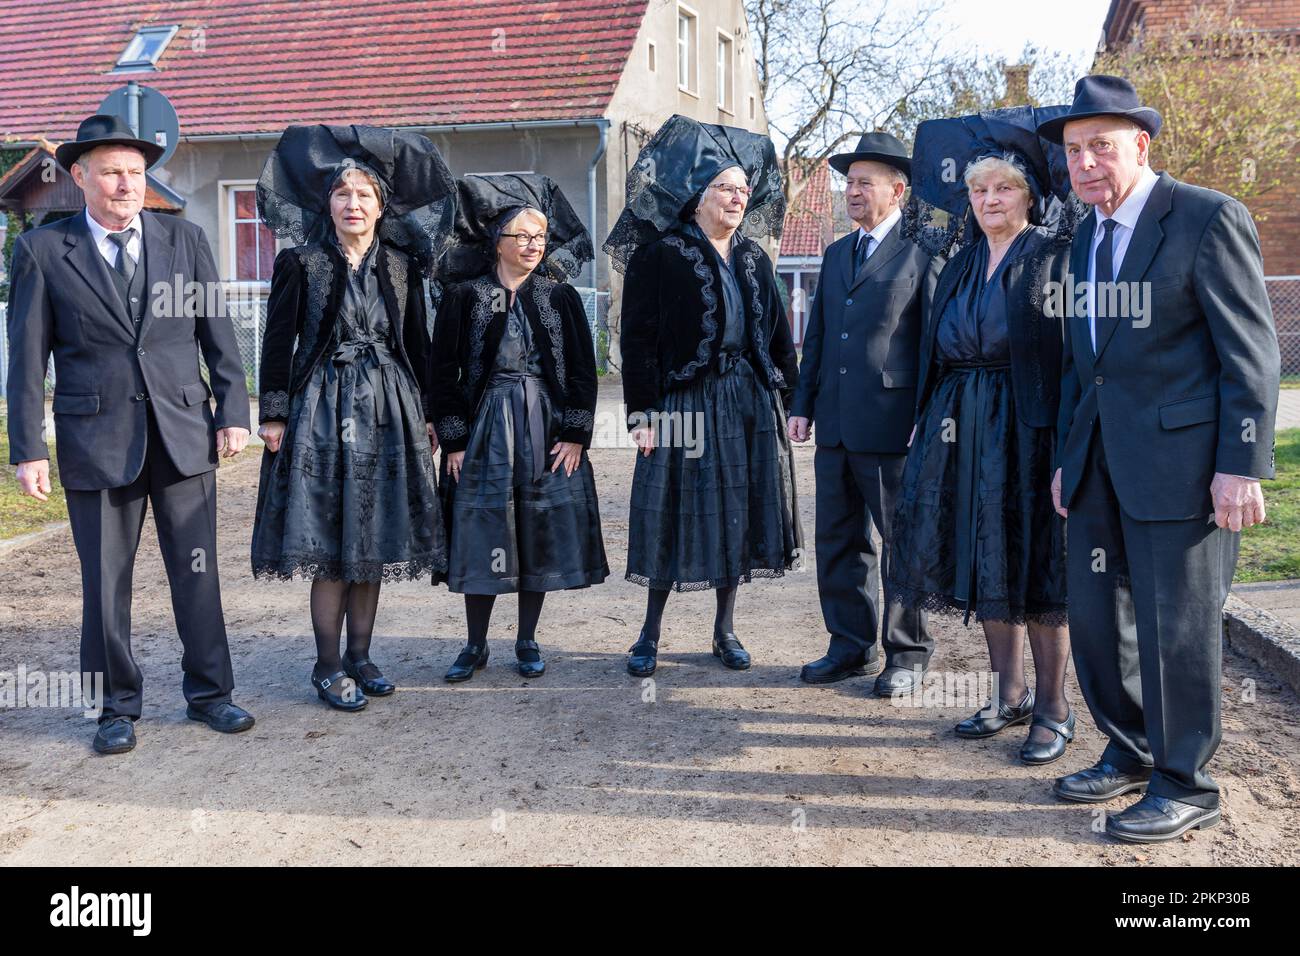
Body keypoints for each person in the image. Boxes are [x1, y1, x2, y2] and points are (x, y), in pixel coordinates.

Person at [1039, 76, 1280, 840]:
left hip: (1184, 468)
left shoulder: (1207, 218)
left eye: (1099, 148)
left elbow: (1252, 355)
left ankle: (1187, 782)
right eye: (1074, 151)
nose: (1084, 165)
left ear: (1140, 146)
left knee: (1176, 627)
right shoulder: (1084, 237)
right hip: (1099, 463)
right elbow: (1087, 364)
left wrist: (1240, 464)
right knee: (1098, 620)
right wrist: (1066, 458)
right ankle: (1132, 748)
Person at [6, 114, 254, 753]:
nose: (125, 184)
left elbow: (217, 333)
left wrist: (232, 410)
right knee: (104, 582)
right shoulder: (41, 250)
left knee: (198, 573)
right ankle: (113, 707)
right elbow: (28, 357)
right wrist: (28, 448)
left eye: (136, 173)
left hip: (183, 434)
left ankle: (212, 695)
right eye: (112, 172)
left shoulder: (185, 240)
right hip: (97, 440)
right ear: (79, 176)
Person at [889, 106, 1080, 764]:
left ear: (1027, 196)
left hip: (1026, 428)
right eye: (978, 189)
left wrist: (1064, 443)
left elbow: (1071, 358)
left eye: (1003, 188)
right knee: (984, 564)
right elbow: (931, 351)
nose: (989, 199)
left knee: (1033, 570)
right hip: (959, 425)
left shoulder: (1053, 259)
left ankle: (1055, 709)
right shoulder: (961, 261)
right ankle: (1010, 694)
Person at [250, 124, 456, 711]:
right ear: (328, 204)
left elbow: (420, 344)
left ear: (380, 204)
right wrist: (274, 415)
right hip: (322, 405)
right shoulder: (302, 262)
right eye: (343, 195)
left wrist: (433, 416)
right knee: (332, 537)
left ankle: (362, 657)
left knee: (374, 536)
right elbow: (277, 342)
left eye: (364, 194)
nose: (353, 204)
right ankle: (326, 665)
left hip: (391, 408)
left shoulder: (400, 264)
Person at [606, 114, 802, 677]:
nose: (737, 198)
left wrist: (788, 398)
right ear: (698, 196)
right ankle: (648, 634)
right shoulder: (659, 255)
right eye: (725, 188)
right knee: (670, 511)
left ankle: (725, 629)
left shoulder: (753, 258)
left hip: (747, 400)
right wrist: (642, 415)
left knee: (735, 512)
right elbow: (637, 338)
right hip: (683, 404)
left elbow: (777, 337)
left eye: (743, 189)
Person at [429, 173, 608, 681]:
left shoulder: (561, 297)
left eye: (540, 237)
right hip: (485, 427)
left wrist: (576, 434)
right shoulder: (464, 298)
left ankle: (527, 639)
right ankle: (475, 643)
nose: (533, 246)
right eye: (523, 236)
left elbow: (581, 371)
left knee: (536, 530)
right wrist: (455, 441)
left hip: (545, 428)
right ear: (497, 242)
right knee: (482, 528)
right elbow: (442, 373)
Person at [788, 131, 937, 695]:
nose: (851, 190)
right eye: (848, 182)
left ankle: (908, 653)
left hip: (894, 425)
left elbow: (931, 345)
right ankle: (849, 646)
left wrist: (926, 412)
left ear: (896, 189)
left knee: (901, 542)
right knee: (839, 540)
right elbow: (819, 337)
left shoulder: (923, 251)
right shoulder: (835, 253)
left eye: (863, 182)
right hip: (836, 424)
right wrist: (803, 405)